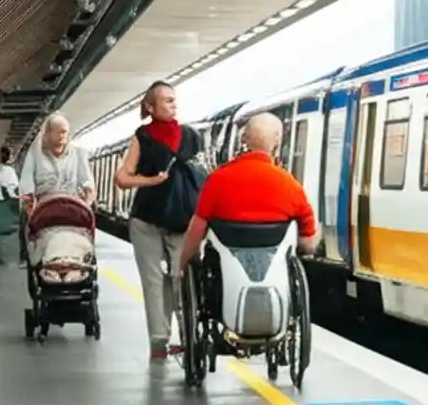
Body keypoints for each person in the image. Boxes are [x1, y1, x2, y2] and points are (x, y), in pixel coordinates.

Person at [115, 81, 202, 361]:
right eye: (166, 100)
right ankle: (159, 341)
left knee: (181, 279)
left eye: (174, 100)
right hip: (146, 220)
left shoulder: (191, 136)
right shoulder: (141, 137)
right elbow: (122, 178)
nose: (173, 105)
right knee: (153, 282)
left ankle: (188, 334)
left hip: (182, 221)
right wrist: (151, 180)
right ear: (150, 107)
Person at [177, 112, 319, 274]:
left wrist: (183, 263)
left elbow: (196, 230)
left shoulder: (217, 180)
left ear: (243, 138)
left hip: (227, 275)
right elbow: (308, 243)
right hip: (275, 276)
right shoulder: (291, 185)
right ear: (278, 142)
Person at [18, 114, 95, 268]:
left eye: (65, 132)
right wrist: (28, 199)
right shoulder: (35, 154)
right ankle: (27, 256)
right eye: (58, 132)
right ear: (48, 133)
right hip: (43, 206)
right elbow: (27, 179)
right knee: (24, 218)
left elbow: (87, 181)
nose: (62, 135)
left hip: (71, 205)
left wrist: (88, 197)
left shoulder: (79, 154)